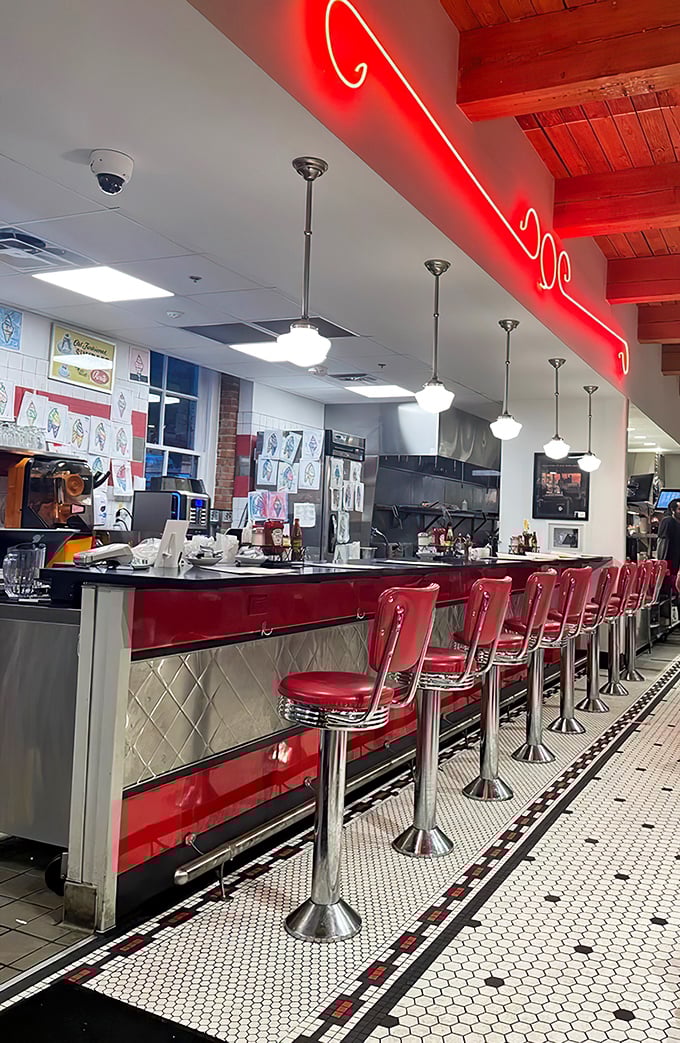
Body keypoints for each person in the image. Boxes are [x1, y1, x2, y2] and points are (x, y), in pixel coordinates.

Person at [657, 498, 680, 583]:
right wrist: (661, 563)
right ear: (672, 510)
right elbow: (663, 542)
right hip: (668, 564)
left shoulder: (677, 523)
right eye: (679, 509)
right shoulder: (668, 522)